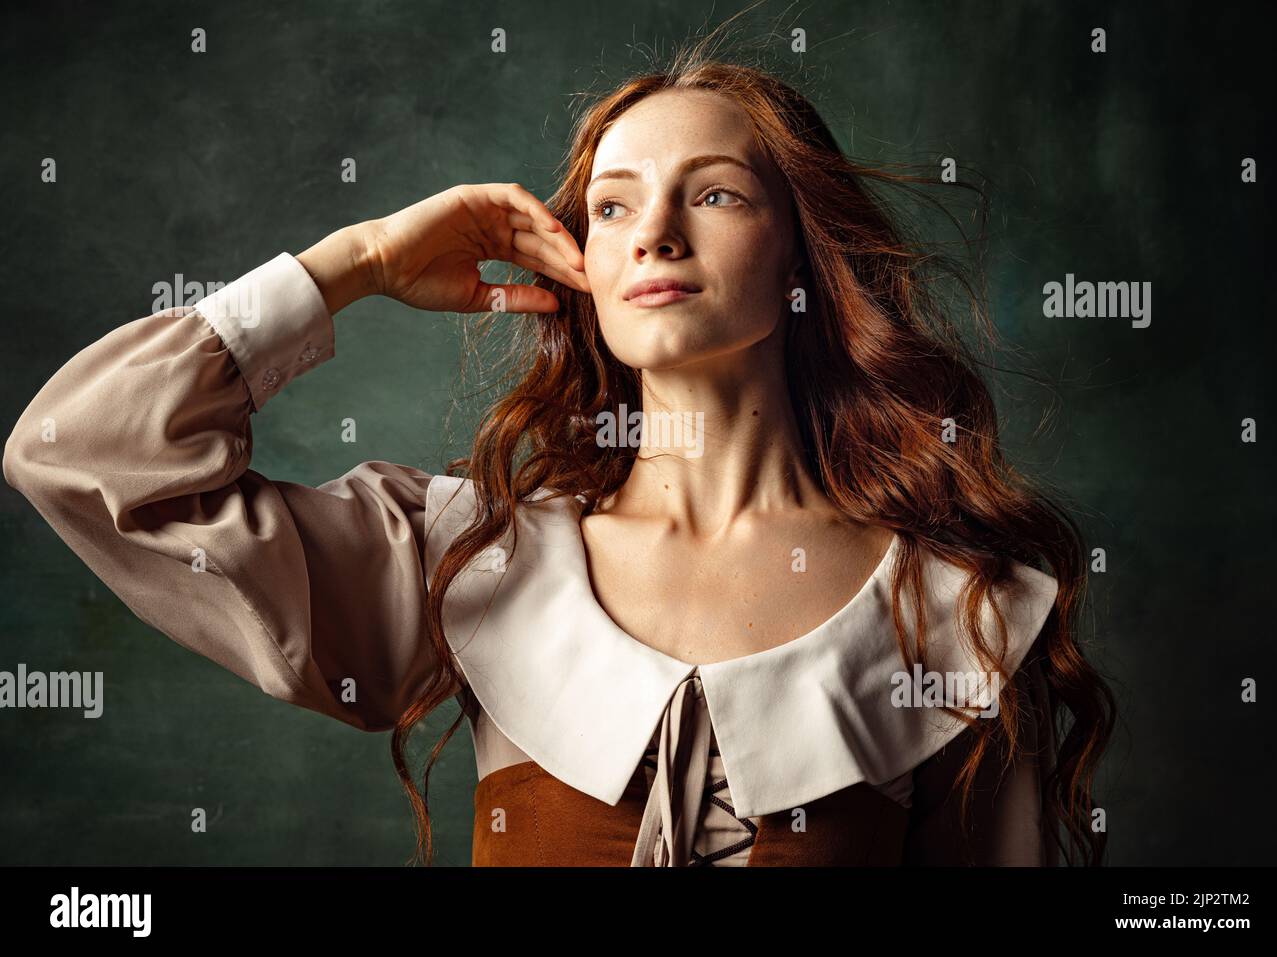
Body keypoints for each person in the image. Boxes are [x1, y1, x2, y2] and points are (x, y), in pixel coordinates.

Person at [3, 45, 1113, 867]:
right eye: (613, 206)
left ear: (804, 258)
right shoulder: (469, 556)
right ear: (584, 261)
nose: (655, 233)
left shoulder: (958, 612)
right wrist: (358, 260)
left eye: (714, 194)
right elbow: (81, 453)